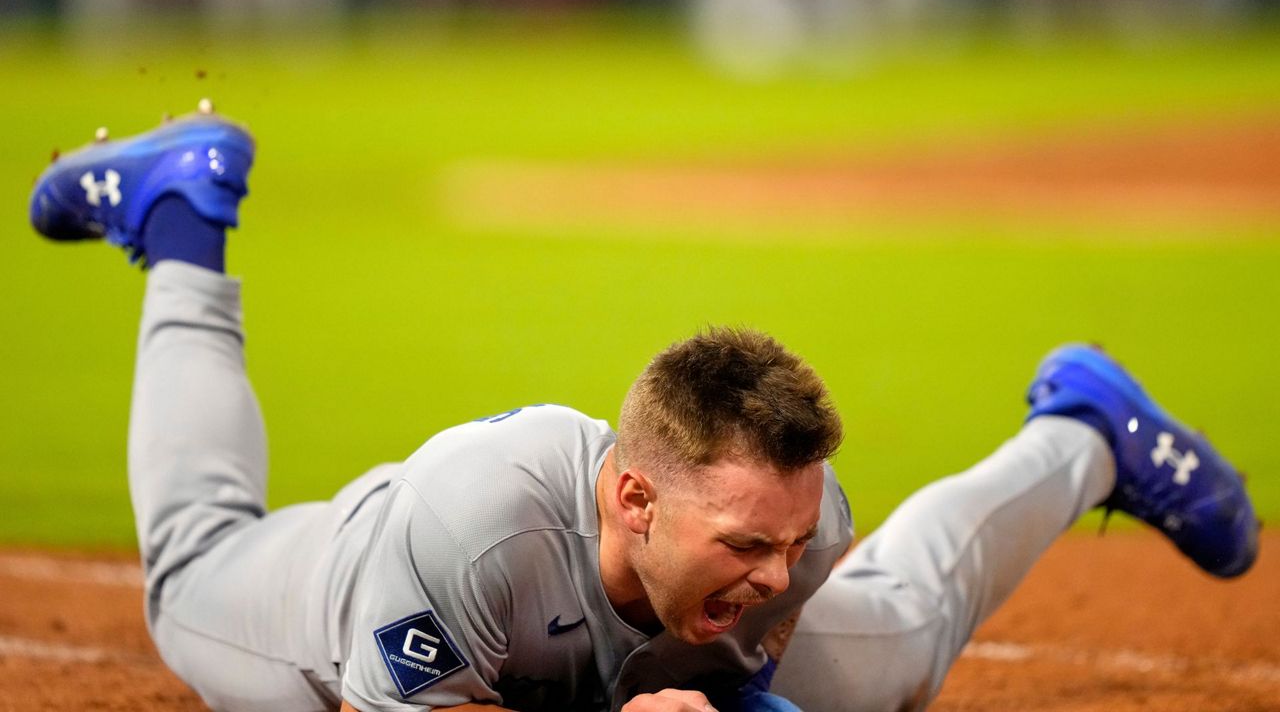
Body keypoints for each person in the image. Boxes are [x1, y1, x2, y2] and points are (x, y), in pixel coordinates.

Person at [29, 103, 1258, 712]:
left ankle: (1084, 438)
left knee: (901, 640)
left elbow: (749, 679)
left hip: (636, 651)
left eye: (786, 539)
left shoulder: (800, 522)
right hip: (348, 601)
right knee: (188, 564)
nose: (779, 571)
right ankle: (179, 211)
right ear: (630, 498)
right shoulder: (469, 526)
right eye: (742, 543)